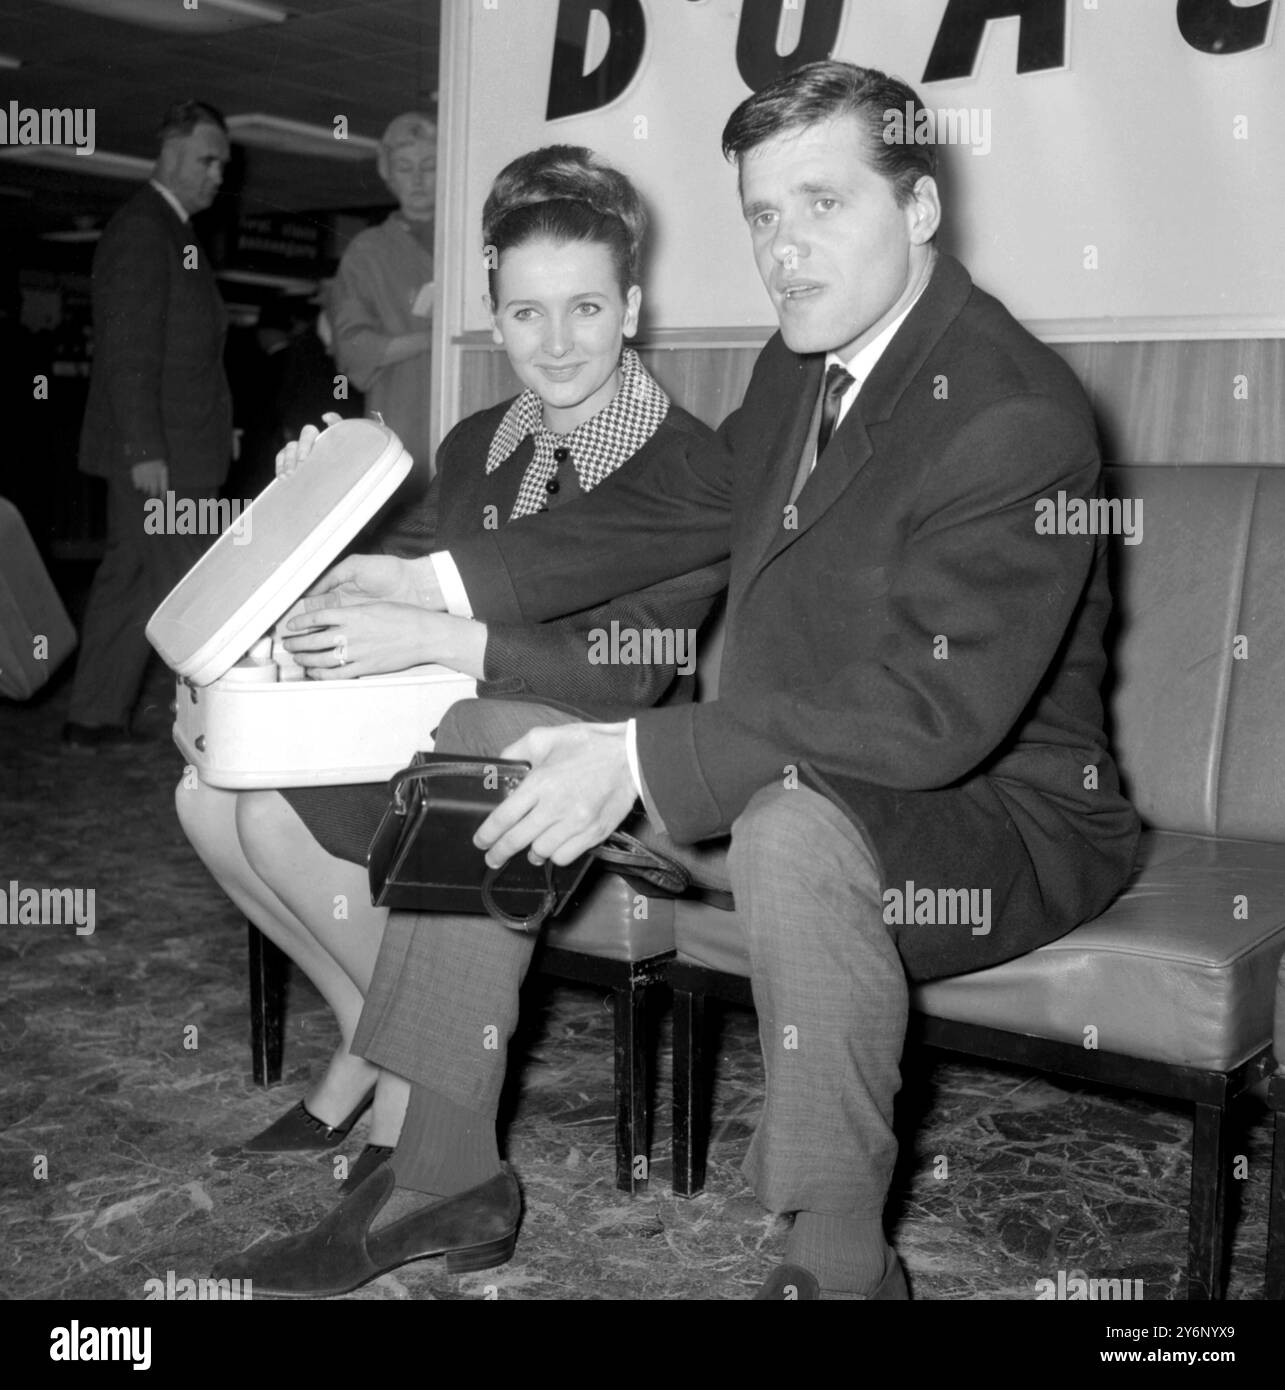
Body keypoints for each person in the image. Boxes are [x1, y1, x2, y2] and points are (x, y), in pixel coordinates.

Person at [212, 61, 1141, 1301]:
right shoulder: (802, 362)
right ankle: (442, 1171)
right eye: (763, 214)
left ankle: (839, 1258)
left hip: (983, 820)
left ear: (917, 209)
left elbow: (929, 716)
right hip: (781, 777)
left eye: (822, 204)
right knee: (492, 731)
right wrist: (428, 584)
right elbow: (665, 514)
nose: (785, 250)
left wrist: (642, 759)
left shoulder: (1012, 410)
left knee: (795, 826)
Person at [177, 146, 728, 1195]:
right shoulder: (482, 441)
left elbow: (627, 676)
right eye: (525, 314)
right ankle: (366, 1038)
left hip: (585, 764)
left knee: (264, 815)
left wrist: (432, 639)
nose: (555, 343)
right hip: (439, 730)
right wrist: (318, 519)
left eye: (583, 310)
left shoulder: (690, 464)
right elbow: (406, 573)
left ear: (632, 305)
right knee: (212, 796)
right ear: (492, 314)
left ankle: (400, 1099)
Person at [63, 101, 232, 751]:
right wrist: (143, 449)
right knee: (194, 588)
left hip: (168, 451)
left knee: (130, 581)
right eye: (205, 158)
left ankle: (93, 718)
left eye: (222, 162)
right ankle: (226, 724)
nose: (216, 173)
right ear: (166, 153)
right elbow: (126, 349)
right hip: (162, 456)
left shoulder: (172, 229)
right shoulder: (144, 229)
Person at [329, 112, 437, 544]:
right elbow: (353, 349)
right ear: (386, 173)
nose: (418, 181)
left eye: (429, 167)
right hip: (404, 434)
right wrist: (434, 339)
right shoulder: (368, 252)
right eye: (406, 169)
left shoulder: (473, 239)